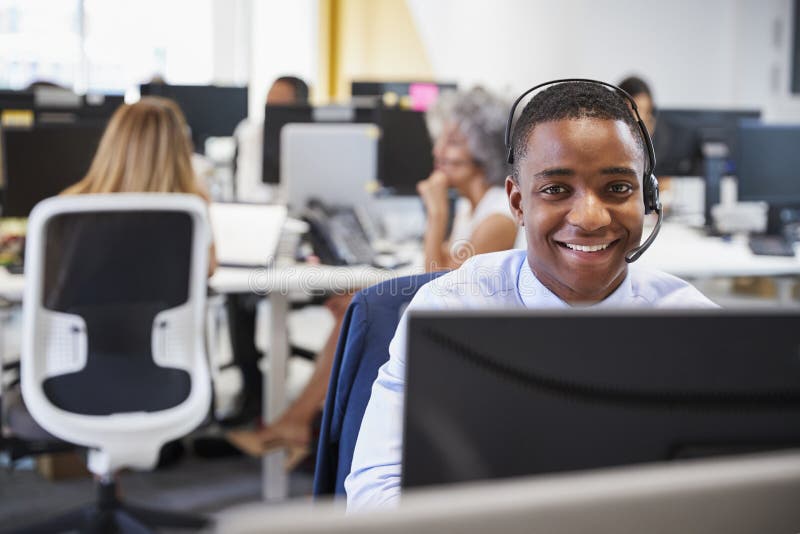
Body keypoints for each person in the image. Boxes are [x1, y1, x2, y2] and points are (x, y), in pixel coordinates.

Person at [344, 80, 718, 510]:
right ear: (518, 203)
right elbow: (375, 492)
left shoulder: (695, 328)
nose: (590, 218)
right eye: (556, 190)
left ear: (647, 198)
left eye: (617, 188)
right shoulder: (451, 313)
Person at [62, 96, 217, 275]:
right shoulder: (191, 209)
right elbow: (209, 268)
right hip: (165, 304)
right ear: (181, 150)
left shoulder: (69, 207)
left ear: (111, 145)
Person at [417, 87, 518, 271]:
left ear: (485, 152)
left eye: (453, 143)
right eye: (440, 141)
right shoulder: (470, 205)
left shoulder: (497, 219)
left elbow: (438, 287)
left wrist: (436, 213)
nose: (437, 152)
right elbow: (447, 261)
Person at [233, 76, 309, 202]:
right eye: (271, 95)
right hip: (255, 208)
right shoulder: (249, 133)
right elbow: (246, 190)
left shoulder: (307, 138)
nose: (272, 101)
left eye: (280, 97)